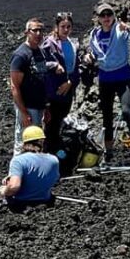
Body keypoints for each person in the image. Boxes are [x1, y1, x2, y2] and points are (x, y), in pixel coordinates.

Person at [86, 2, 130, 161]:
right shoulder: (94, 35)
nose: (106, 18)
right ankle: (108, 151)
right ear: (98, 18)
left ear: (114, 16)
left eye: (109, 15)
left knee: (126, 110)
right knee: (107, 115)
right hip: (105, 79)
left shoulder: (120, 30)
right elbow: (96, 54)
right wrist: (90, 57)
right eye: (102, 15)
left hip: (122, 78)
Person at [10, 18, 58, 154]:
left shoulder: (40, 52)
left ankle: (32, 173)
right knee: (23, 142)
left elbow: (43, 80)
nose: (38, 33)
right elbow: (14, 86)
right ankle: (16, 173)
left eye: (40, 30)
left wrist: (47, 107)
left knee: (36, 143)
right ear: (27, 32)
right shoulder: (21, 55)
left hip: (40, 106)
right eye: (34, 30)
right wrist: (24, 113)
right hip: (28, 107)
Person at [41, 12, 81, 154]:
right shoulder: (49, 43)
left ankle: (57, 156)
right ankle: (48, 154)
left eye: (68, 27)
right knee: (51, 125)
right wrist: (54, 65)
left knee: (61, 122)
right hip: (53, 92)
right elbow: (40, 64)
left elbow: (77, 68)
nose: (66, 30)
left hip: (68, 91)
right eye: (62, 26)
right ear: (56, 27)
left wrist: (70, 82)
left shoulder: (73, 44)